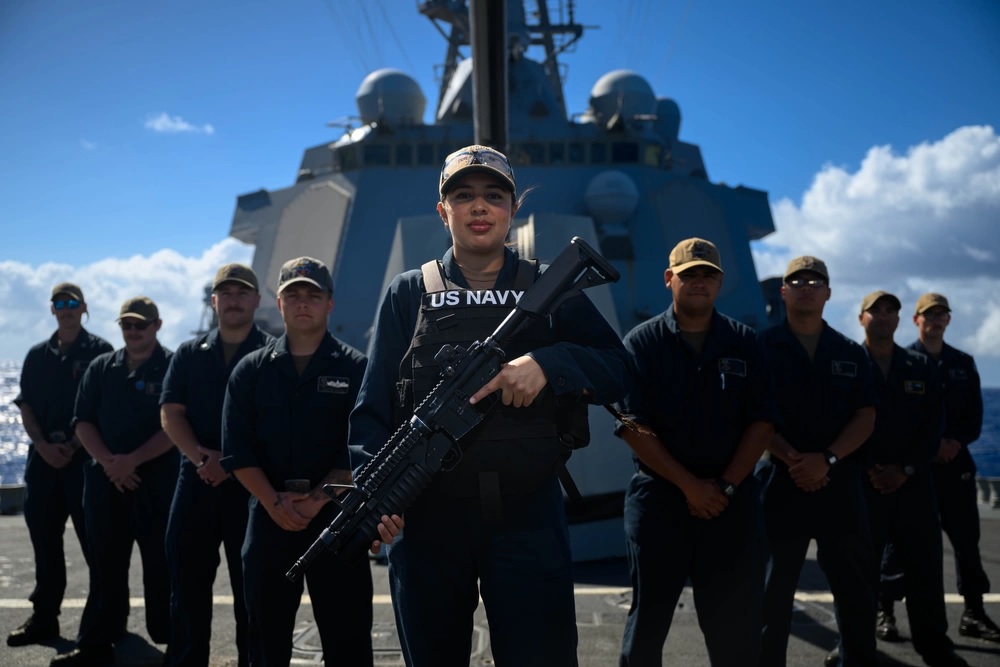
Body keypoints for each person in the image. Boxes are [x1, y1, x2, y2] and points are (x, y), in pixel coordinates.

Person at [349, 145, 630, 666]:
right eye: (464, 196)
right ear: (443, 210)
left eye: (493, 196)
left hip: (528, 514)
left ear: (511, 209)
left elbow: (619, 369)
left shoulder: (551, 286)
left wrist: (549, 365)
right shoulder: (408, 293)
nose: (480, 207)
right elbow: (372, 408)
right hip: (429, 519)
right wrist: (376, 494)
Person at [221, 256, 402, 667]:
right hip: (269, 519)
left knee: (348, 637)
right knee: (265, 640)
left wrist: (318, 499)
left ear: (329, 304)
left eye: (313, 295)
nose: (303, 303)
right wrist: (274, 502)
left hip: (337, 522)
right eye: (293, 295)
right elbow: (237, 449)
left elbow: (365, 444)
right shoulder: (250, 372)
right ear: (280, 304)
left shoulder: (358, 370)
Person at [614, 237, 775, 666]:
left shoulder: (745, 342)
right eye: (689, 275)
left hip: (730, 503)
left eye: (708, 275)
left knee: (735, 632)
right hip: (661, 502)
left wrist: (722, 486)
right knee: (646, 626)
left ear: (720, 283)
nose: (699, 282)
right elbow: (631, 425)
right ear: (670, 280)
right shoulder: (641, 344)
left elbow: (762, 422)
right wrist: (691, 487)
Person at [755, 257, 878, 667]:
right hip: (779, 483)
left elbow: (867, 415)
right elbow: (751, 413)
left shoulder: (849, 352)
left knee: (856, 592)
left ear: (828, 293)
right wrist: (793, 458)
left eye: (815, 281)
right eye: (797, 281)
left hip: (838, 485)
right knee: (772, 594)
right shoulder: (760, 348)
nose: (806, 286)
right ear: (783, 292)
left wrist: (826, 459)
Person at [55, 296, 178, 666]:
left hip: (157, 485)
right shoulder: (101, 367)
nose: (134, 331)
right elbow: (83, 421)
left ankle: (173, 643)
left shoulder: (174, 366)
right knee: (105, 567)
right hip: (105, 483)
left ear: (157, 325)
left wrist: (132, 461)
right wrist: (110, 463)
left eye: (141, 324)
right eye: (127, 325)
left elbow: (176, 422)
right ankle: (95, 643)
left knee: (162, 568)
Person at [160, 264, 273, 667]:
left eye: (242, 293)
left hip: (251, 489)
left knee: (253, 592)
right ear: (214, 301)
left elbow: (275, 423)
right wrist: (200, 457)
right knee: (186, 588)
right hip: (196, 483)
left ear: (257, 301)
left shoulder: (271, 354)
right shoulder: (190, 354)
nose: (234, 300)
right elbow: (171, 413)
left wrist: (231, 462)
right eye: (226, 293)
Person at [876, 293, 999, 643]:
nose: (935, 319)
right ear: (916, 320)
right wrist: (927, 449)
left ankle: (973, 612)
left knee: (966, 543)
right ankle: (885, 611)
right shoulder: (903, 361)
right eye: (929, 314)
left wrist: (953, 443)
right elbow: (898, 418)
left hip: (955, 466)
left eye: (942, 314)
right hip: (916, 469)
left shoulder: (964, 362)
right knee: (898, 544)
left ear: (948, 320)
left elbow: (974, 417)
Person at [859, 291, 967, 667]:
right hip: (864, 485)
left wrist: (904, 469)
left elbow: (932, 426)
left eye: (892, 311)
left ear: (901, 320)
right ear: (861, 319)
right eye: (876, 311)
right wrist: (872, 467)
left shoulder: (921, 366)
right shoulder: (850, 363)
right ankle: (854, 647)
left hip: (914, 485)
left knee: (924, 572)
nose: (884, 316)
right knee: (857, 573)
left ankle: (935, 647)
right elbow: (840, 420)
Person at [7, 283, 113, 648]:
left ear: (84, 308)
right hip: (43, 463)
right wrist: (42, 445)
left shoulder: (100, 352)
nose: (66, 309)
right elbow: (26, 406)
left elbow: (104, 408)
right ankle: (44, 619)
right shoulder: (38, 355)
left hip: (85, 464)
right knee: (45, 545)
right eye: (59, 303)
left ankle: (106, 620)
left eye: (72, 303)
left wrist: (70, 445)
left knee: (96, 546)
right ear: (52, 310)